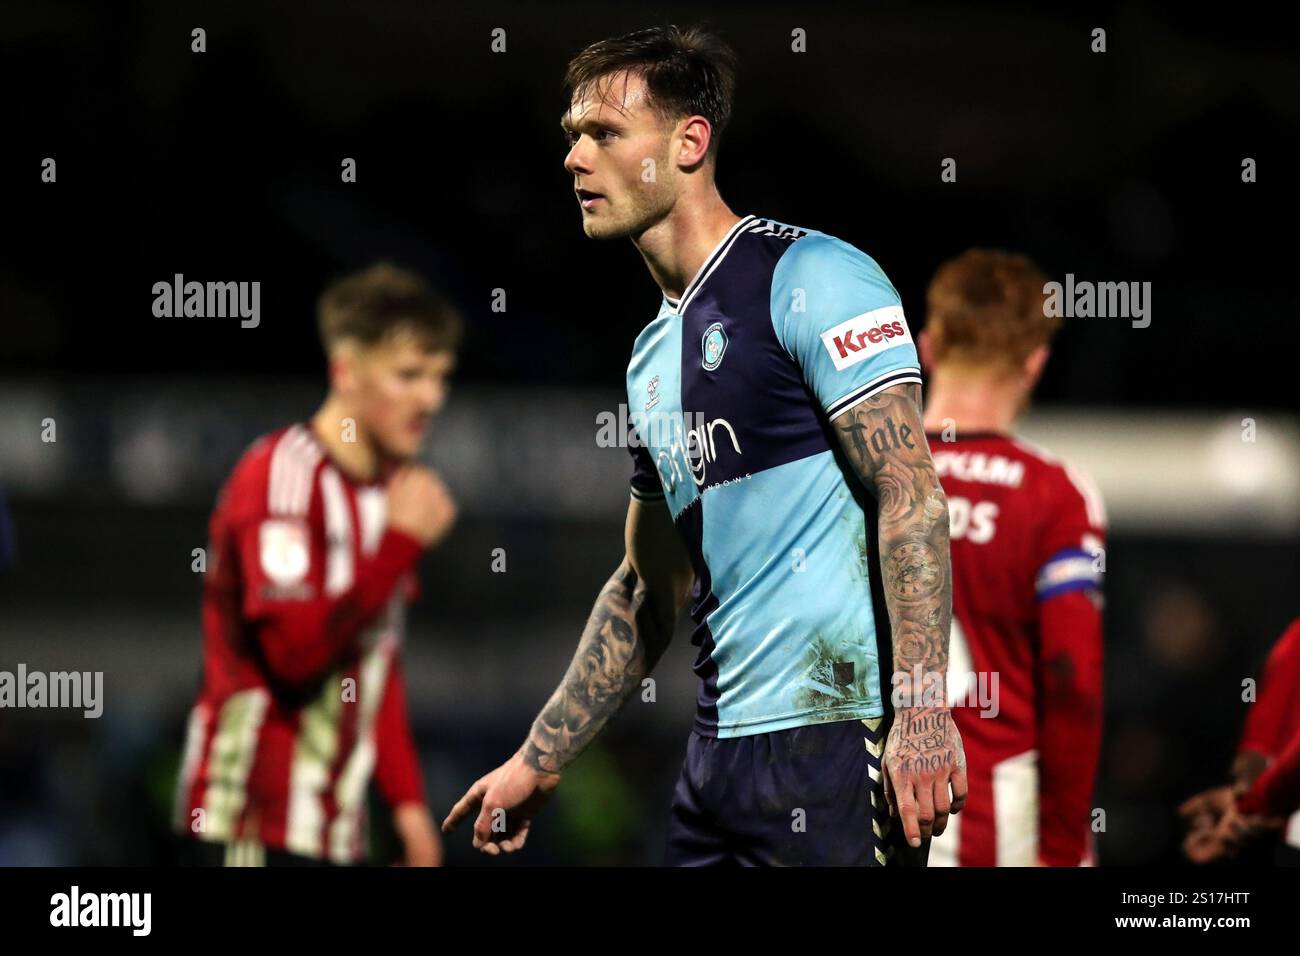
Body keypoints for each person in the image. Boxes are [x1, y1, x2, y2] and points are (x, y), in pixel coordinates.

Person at [443, 24, 965, 866]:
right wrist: (539, 757)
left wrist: (923, 712)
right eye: (572, 137)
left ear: (691, 142)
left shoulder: (814, 277)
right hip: (714, 763)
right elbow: (649, 587)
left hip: (833, 742)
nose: (575, 159)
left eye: (605, 134)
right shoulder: (650, 358)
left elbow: (911, 495)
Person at [173, 263, 459, 866]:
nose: (431, 398)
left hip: (334, 829)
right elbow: (292, 656)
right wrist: (398, 547)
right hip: (249, 819)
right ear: (346, 371)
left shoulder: (388, 494)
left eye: (439, 377)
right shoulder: (279, 476)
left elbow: (376, 663)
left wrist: (409, 810)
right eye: (408, 375)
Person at [917, 248, 1107, 867]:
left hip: (863, 825)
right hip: (998, 832)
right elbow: (1073, 675)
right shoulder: (1055, 494)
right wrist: (1061, 844)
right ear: (1035, 361)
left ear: (928, 345)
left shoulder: (854, 479)